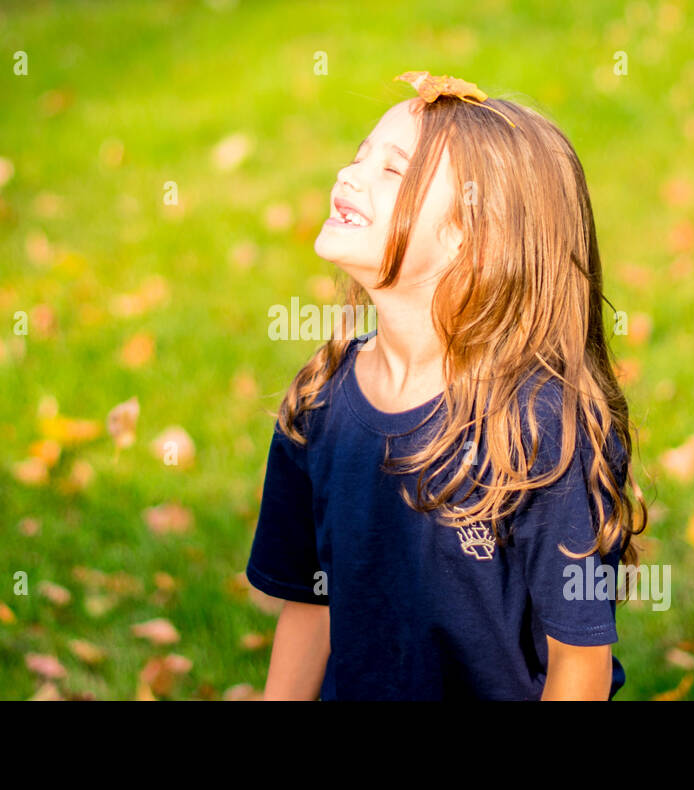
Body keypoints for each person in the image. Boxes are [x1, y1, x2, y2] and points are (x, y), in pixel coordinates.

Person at [246, 73, 649, 700]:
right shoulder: (319, 403)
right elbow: (311, 605)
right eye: (358, 155)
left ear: (474, 239)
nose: (349, 176)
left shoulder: (543, 431)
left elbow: (581, 668)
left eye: (392, 170)